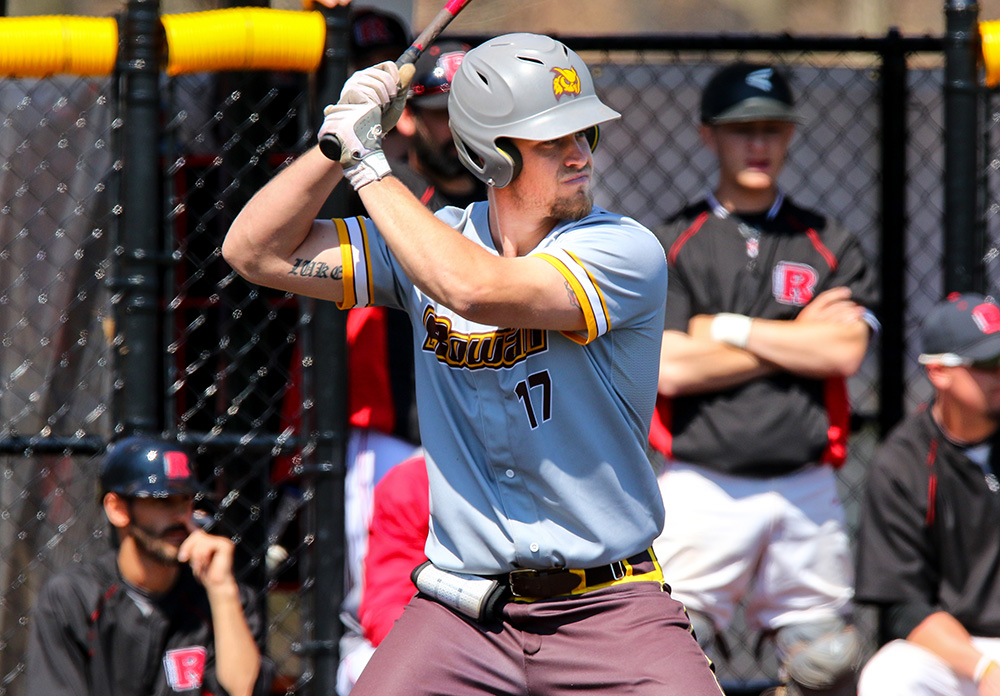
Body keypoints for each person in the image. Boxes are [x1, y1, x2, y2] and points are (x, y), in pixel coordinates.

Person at [223, 31, 723, 696]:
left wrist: (368, 163)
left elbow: (478, 291)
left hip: (608, 607)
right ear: (492, 154)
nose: (580, 156)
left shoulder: (623, 249)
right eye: (553, 141)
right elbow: (253, 252)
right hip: (461, 616)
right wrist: (332, 145)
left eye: (586, 136)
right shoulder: (431, 243)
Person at [647, 62, 879, 696]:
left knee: (828, 661)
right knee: (667, 654)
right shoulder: (673, 240)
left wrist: (724, 329)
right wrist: (796, 336)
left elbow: (845, 352)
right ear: (708, 136)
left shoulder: (828, 240)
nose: (758, 144)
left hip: (805, 482)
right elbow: (669, 367)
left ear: (790, 136)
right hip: (702, 482)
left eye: (772, 129)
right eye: (742, 129)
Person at [25, 435, 274, 696]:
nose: (180, 516)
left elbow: (243, 691)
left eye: (186, 500)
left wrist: (222, 591)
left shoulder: (223, 597)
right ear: (118, 509)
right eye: (162, 501)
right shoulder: (72, 597)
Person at [855, 292, 1000, 696]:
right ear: (939, 372)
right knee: (891, 675)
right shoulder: (902, 462)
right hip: (964, 653)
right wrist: (986, 669)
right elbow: (905, 606)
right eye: (989, 363)